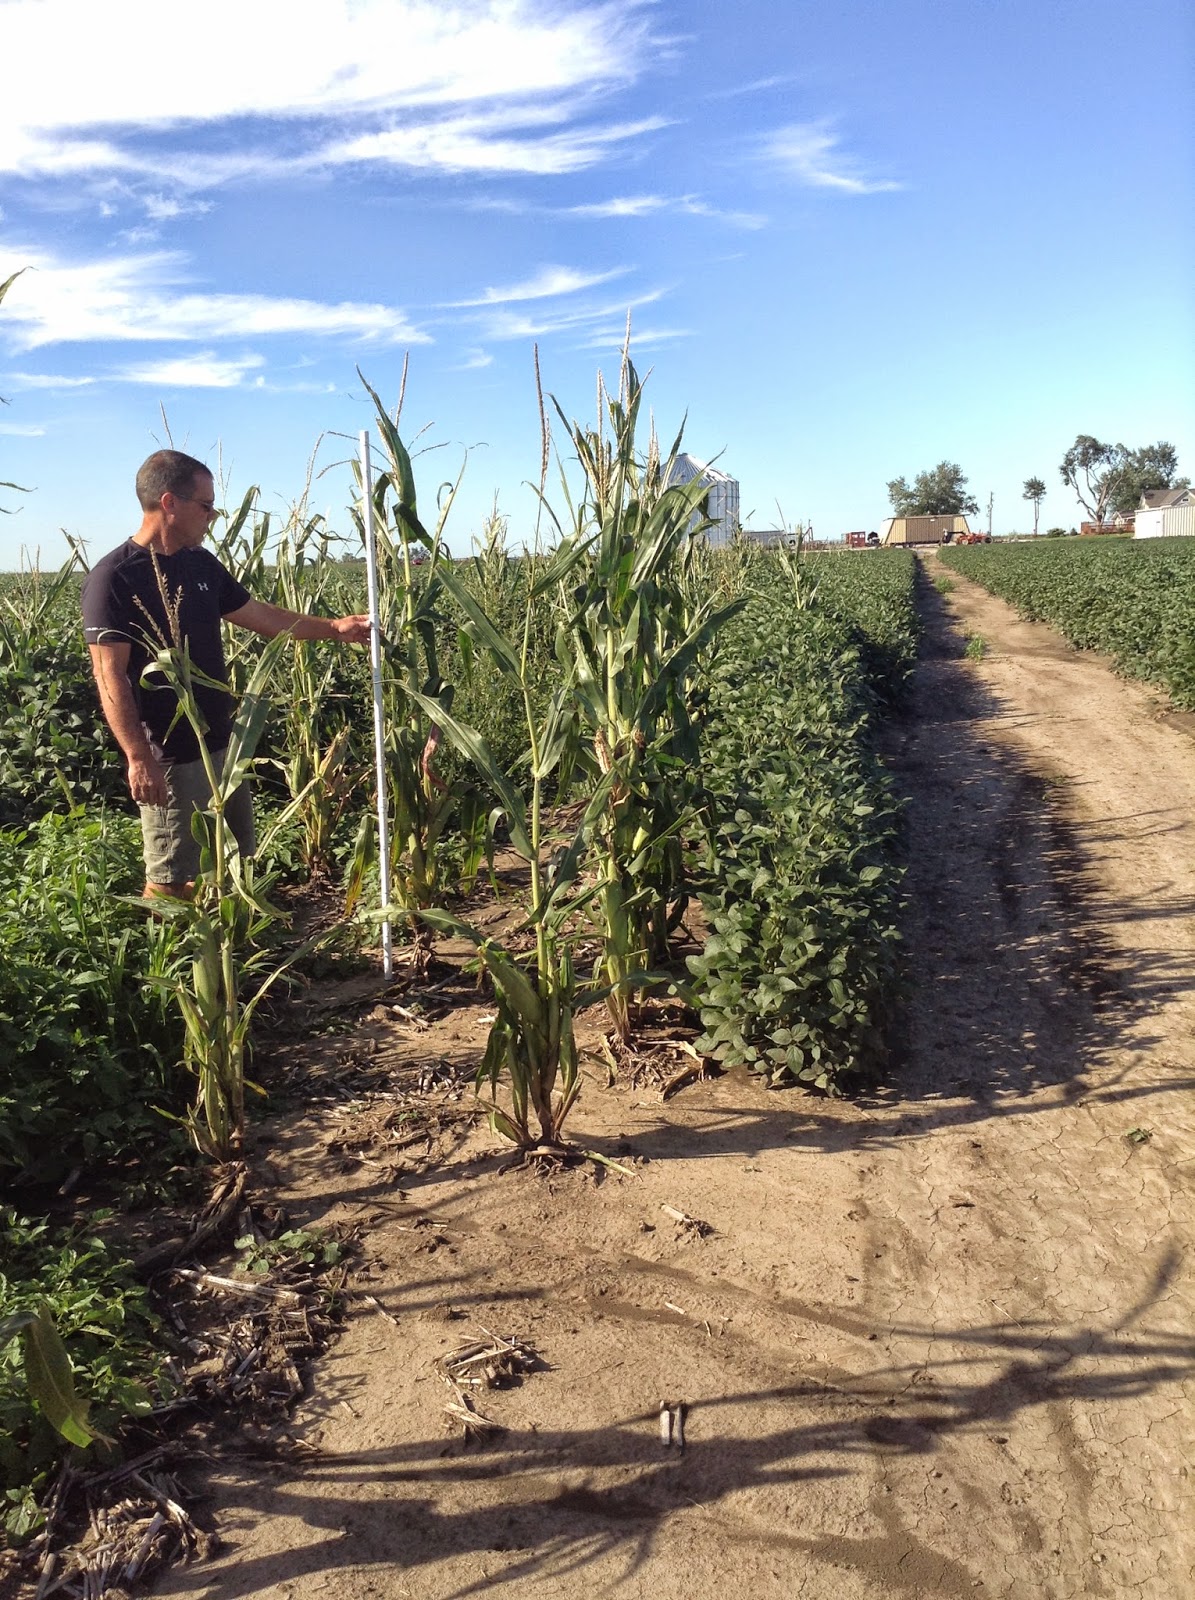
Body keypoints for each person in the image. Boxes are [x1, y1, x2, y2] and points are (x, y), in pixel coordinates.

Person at [83, 449, 371, 897]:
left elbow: (259, 615)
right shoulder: (115, 577)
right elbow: (110, 676)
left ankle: (222, 942)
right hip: (170, 753)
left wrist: (334, 629)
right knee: (171, 880)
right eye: (206, 505)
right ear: (169, 502)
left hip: (222, 743)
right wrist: (138, 757)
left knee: (229, 863)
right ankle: (167, 942)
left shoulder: (200, 563)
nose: (213, 516)